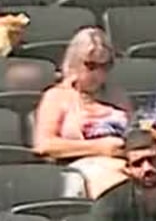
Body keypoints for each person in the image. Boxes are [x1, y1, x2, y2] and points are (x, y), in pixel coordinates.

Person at [32, 26, 139, 197]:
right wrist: (99, 148)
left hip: (125, 165)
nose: (98, 73)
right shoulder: (57, 96)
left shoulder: (118, 96)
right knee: (117, 185)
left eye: (105, 66)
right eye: (91, 65)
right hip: (83, 167)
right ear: (74, 62)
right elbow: (44, 145)